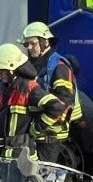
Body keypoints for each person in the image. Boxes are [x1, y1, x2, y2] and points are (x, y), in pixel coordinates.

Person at [0, 43, 66, 162]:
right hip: (3, 156)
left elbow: (56, 107)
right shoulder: (2, 90)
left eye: (1, 71)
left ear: (12, 69)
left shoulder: (28, 88)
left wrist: (37, 128)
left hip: (24, 158)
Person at [21, 22, 82, 163]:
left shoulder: (59, 66)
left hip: (51, 132)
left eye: (32, 43)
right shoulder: (36, 63)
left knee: (45, 176)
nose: (29, 48)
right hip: (39, 131)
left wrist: (40, 125)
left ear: (45, 42)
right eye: (26, 45)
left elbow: (65, 101)